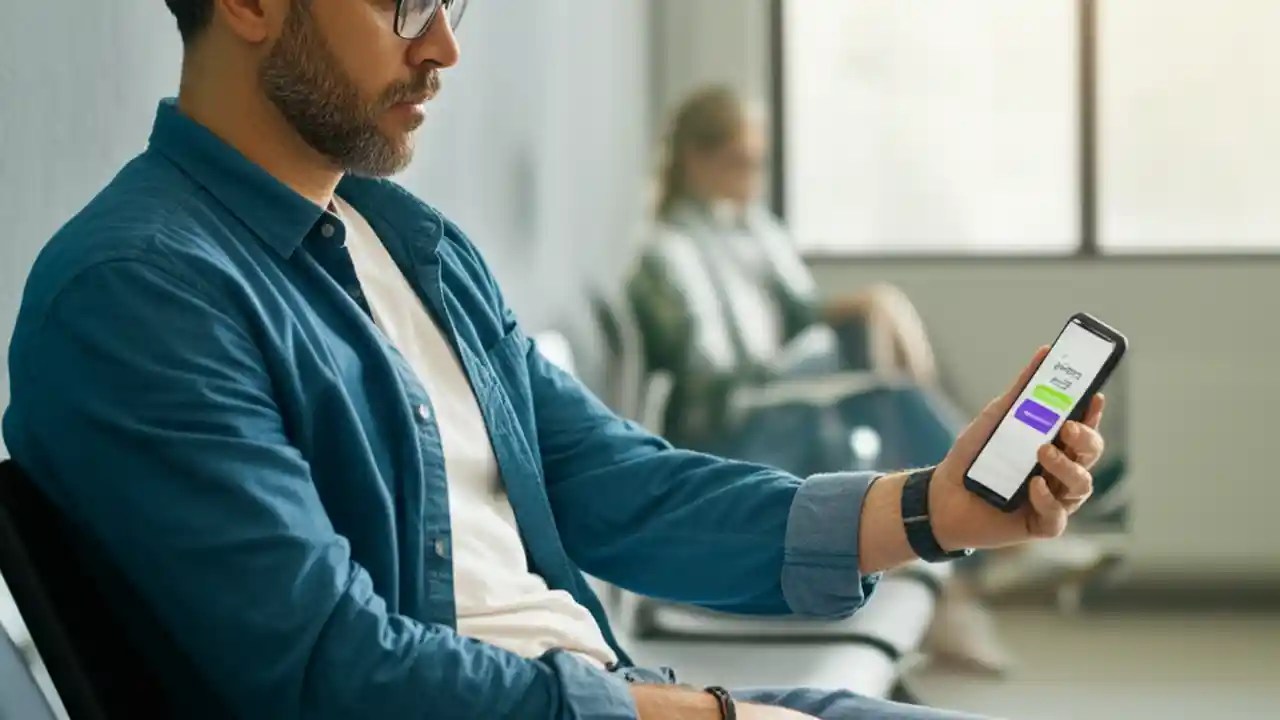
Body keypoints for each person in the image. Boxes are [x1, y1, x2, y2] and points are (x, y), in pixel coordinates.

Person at [2, 2, 1106, 719]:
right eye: (402, 2)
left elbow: (608, 481)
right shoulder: (139, 294)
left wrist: (929, 510)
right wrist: (717, 717)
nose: (443, 47)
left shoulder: (411, 245)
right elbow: (332, 671)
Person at [631, 86, 942, 465]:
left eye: (758, 165)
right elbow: (709, 383)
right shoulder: (670, 253)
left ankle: (958, 481)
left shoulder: (750, 233)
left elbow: (802, 311)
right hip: (730, 423)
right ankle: (970, 482)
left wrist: (879, 301)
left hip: (766, 391)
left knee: (880, 371)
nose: (752, 183)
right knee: (888, 399)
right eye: (739, 164)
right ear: (696, 160)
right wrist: (794, 381)